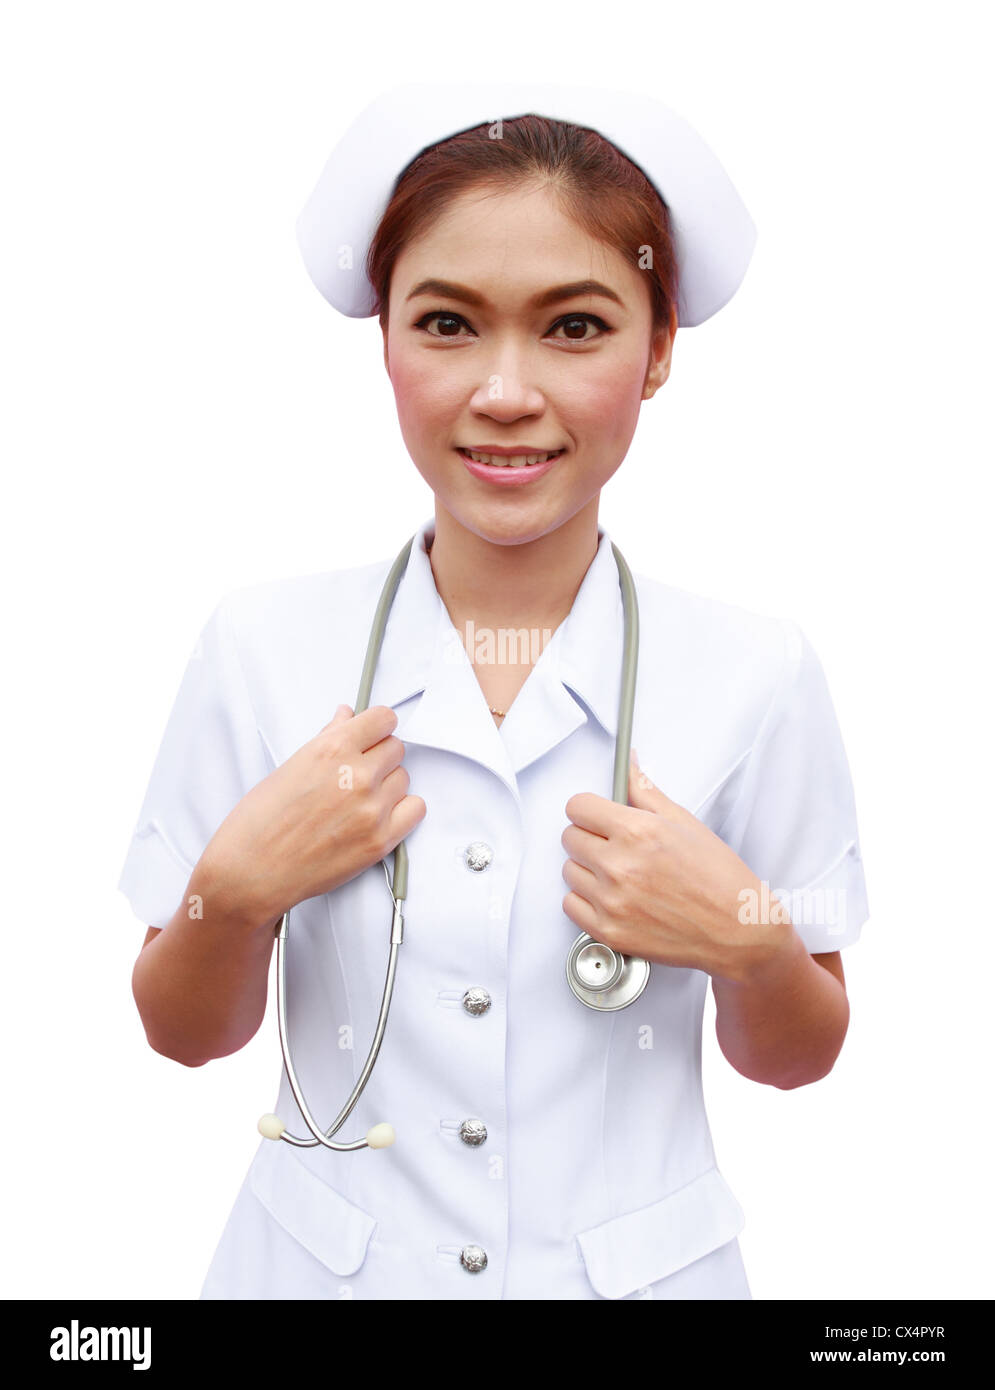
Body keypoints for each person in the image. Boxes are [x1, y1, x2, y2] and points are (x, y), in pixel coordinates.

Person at [118, 81, 870, 1300]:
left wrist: (742, 929)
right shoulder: (260, 644)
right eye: (447, 323)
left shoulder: (755, 670)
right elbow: (182, 1031)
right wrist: (232, 891)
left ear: (660, 346)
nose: (504, 391)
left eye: (574, 327)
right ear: (386, 343)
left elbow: (798, 1055)